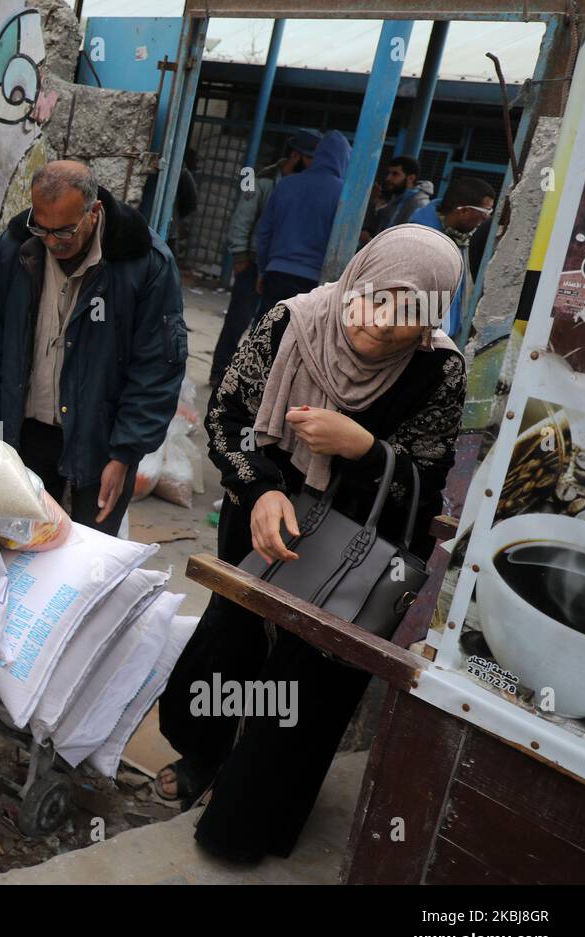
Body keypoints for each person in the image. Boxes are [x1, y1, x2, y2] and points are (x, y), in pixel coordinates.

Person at [153, 224, 468, 863]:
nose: (380, 325)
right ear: (354, 281)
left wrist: (365, 451)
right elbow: (227, 419)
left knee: (307, 678)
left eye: (406, 315)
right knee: (229, 641)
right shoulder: (291, 323)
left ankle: (245, 816)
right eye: (373, 300)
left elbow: (425, 490)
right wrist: (264, 487)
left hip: (353, 550)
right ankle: (203, 754)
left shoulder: (438, 368)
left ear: (431, 316)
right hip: (260, 520)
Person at [0, 161, 187, 535]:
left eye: (64, 231)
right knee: (18, 542)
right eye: (42, 228)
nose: (52, 242)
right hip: (24, 429)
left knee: (89, 553)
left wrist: (125, 453)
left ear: (93, 212)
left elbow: (157, 368)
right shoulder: (15, 249)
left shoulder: (144, 263)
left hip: (101, 438)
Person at [212, 128, 321, 388]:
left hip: (279, 269)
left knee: (270, 328)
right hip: (253, 263)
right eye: (312, 158)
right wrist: (239, 256)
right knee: (237, 321)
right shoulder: (260, 180)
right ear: (296, 156)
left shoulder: (307, 187)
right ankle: (219, 372)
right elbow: (243, 217)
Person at [254, 130, 352, 320]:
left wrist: (262, 269)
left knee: (264, 338)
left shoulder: (285, 184)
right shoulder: (344, 195)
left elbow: (264, 232)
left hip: (277, 273)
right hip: (315, 283)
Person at [410, 177, 496, 340]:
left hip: (444, 338)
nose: (486, 219)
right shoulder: (420, 240)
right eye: (485, 213)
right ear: (463, 211)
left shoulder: (463, 239)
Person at [363, 155, 433, 240]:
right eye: (388, 173)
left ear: (411, 178)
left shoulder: (419, 205)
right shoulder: (395, 198)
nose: (388, 178)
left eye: (395, 174)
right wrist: (372, 201)